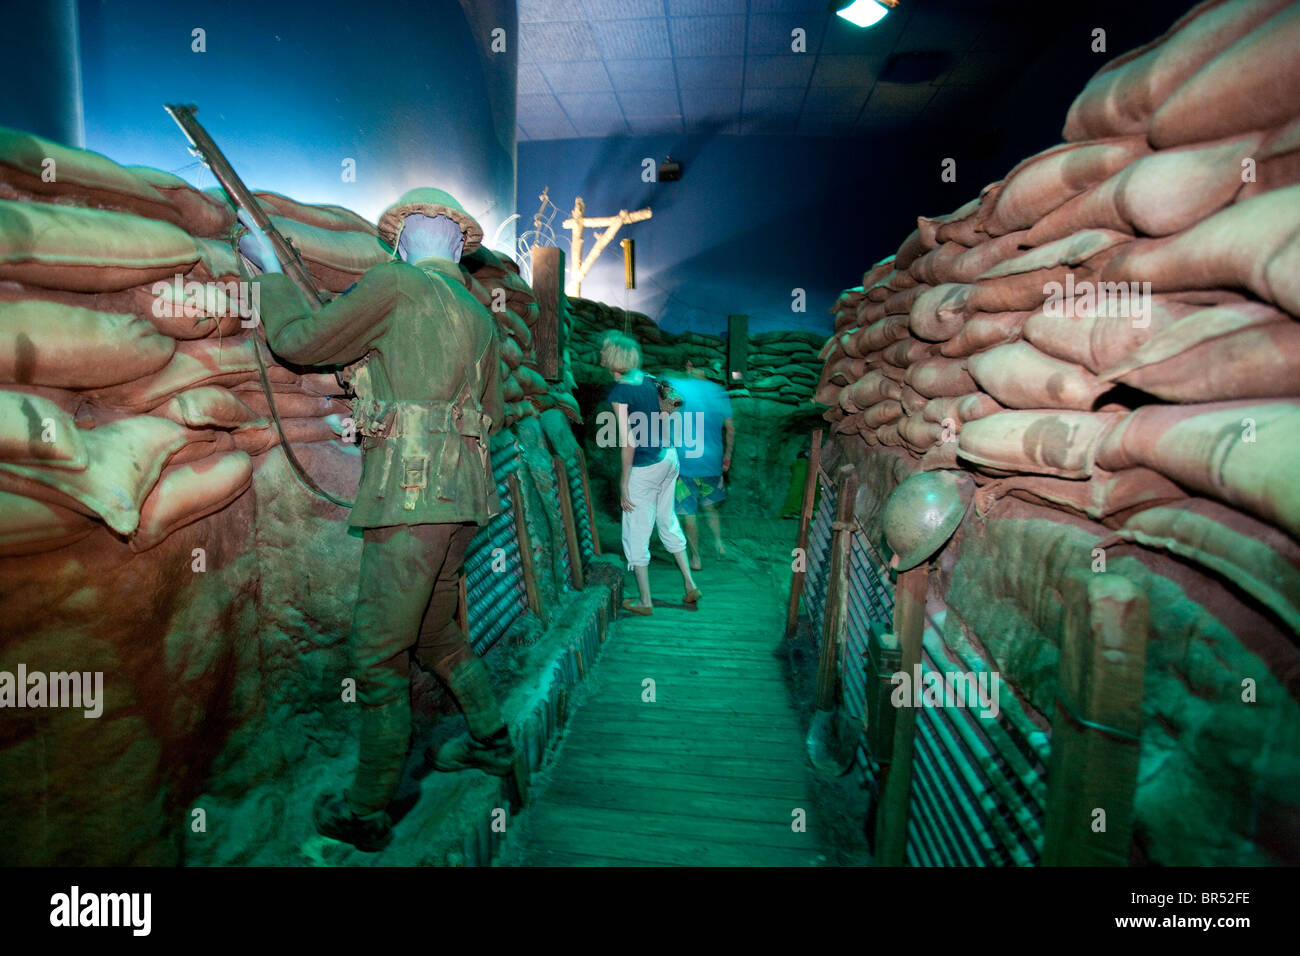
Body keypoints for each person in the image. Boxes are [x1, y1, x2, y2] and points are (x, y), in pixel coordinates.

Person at [238, 187, 514, 853]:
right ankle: (493, 743)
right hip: (464, 503)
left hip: (409, 501)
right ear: (456, 243)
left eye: (408, 226)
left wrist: (268, 276)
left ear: (403, 237)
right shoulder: (480, 316)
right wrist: (381, 380)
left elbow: (302, 342)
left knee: (377, 654)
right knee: (437, 635)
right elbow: (494, 416)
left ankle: (366, 808)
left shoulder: (393, 284)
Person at [600, 331, 701, 615]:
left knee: (635, 532)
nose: (601, 356)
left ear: (612, 359)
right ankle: (690, 585)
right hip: (669, 458)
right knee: (667, 521)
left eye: (604, 352)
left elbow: (628, 442)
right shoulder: (651, 381)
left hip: (645, 467)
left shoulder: (620, 391)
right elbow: (676, 406)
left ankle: (645, 601)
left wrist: (623, 485)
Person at [666, 359, 734, 571]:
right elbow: (731, 428)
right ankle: (719, 544)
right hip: (712, 463)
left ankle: (695, 559)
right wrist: (727, 455)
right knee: (710, 505)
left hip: (685, 464)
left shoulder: (677, 389)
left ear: (689, 368)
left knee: (688, 512)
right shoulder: (718, 392)